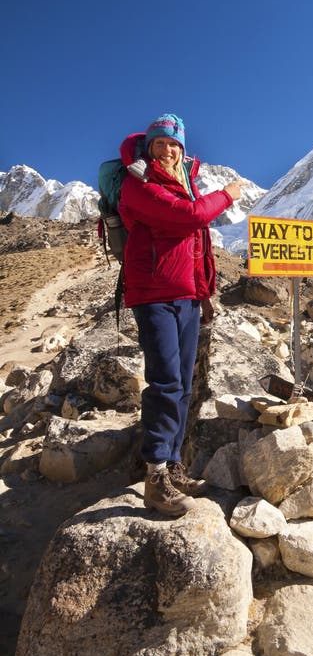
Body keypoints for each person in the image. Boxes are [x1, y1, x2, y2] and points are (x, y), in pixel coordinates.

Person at [118, 113, 242, 517]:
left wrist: (204, 294)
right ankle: (155, 476)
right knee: (166, 381)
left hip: (186, 296)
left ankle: (172, 465)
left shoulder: (184, 185)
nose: (168, 150)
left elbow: (196, 246)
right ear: (149, 147)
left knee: (183, 384)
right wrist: (226, 195)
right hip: (154, 296)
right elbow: (190, 218)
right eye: (161, 143)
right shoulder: (138, 184)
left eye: (175, 144)